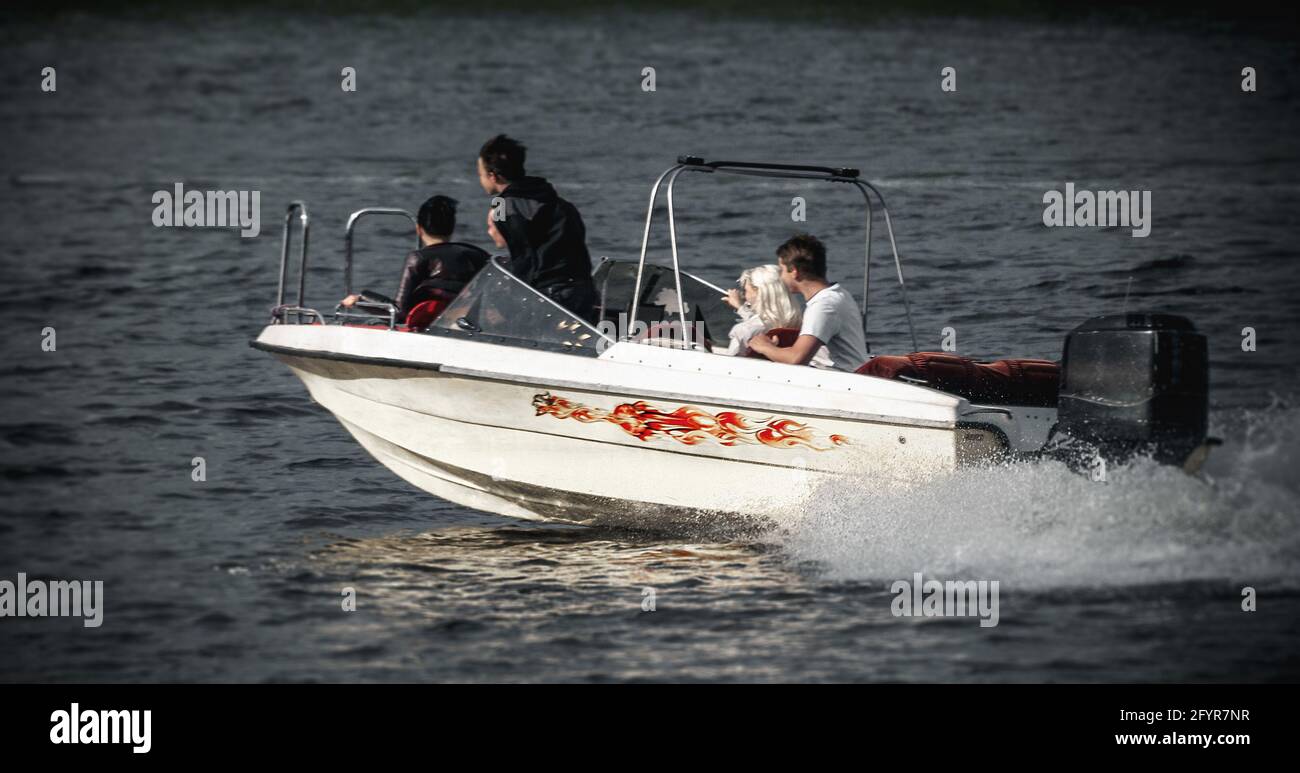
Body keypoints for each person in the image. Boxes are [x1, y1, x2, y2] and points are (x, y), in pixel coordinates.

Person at [476, 134, 598, 324]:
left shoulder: (499, 203)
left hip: (548, 295)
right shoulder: (556, 200)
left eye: (480, 174)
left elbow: (499, 238)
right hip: (582, 289)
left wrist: (493, 222)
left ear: (493, 176)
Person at [341, 195, 488, 324]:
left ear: (418, 229)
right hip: (467, 326)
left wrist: (361, 300)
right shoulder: (479, 255)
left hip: (426, 328)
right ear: (453, 227)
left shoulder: (418, 258)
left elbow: (398, 312)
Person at [746, 233, 868, 372]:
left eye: (782, 271)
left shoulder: (823, 306)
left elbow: (796, 359)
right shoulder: (839, 294)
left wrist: (764, 346)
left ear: (795, 272)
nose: (780, 277)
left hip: (843, 380)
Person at [716, 264, 801, 357]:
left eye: (746, 291)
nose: (745, 296)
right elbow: (763, 322)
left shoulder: (744, 331)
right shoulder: (797, 325)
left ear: (759, 293)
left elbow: (728, 365)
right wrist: (740, 307)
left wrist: (703, 345)